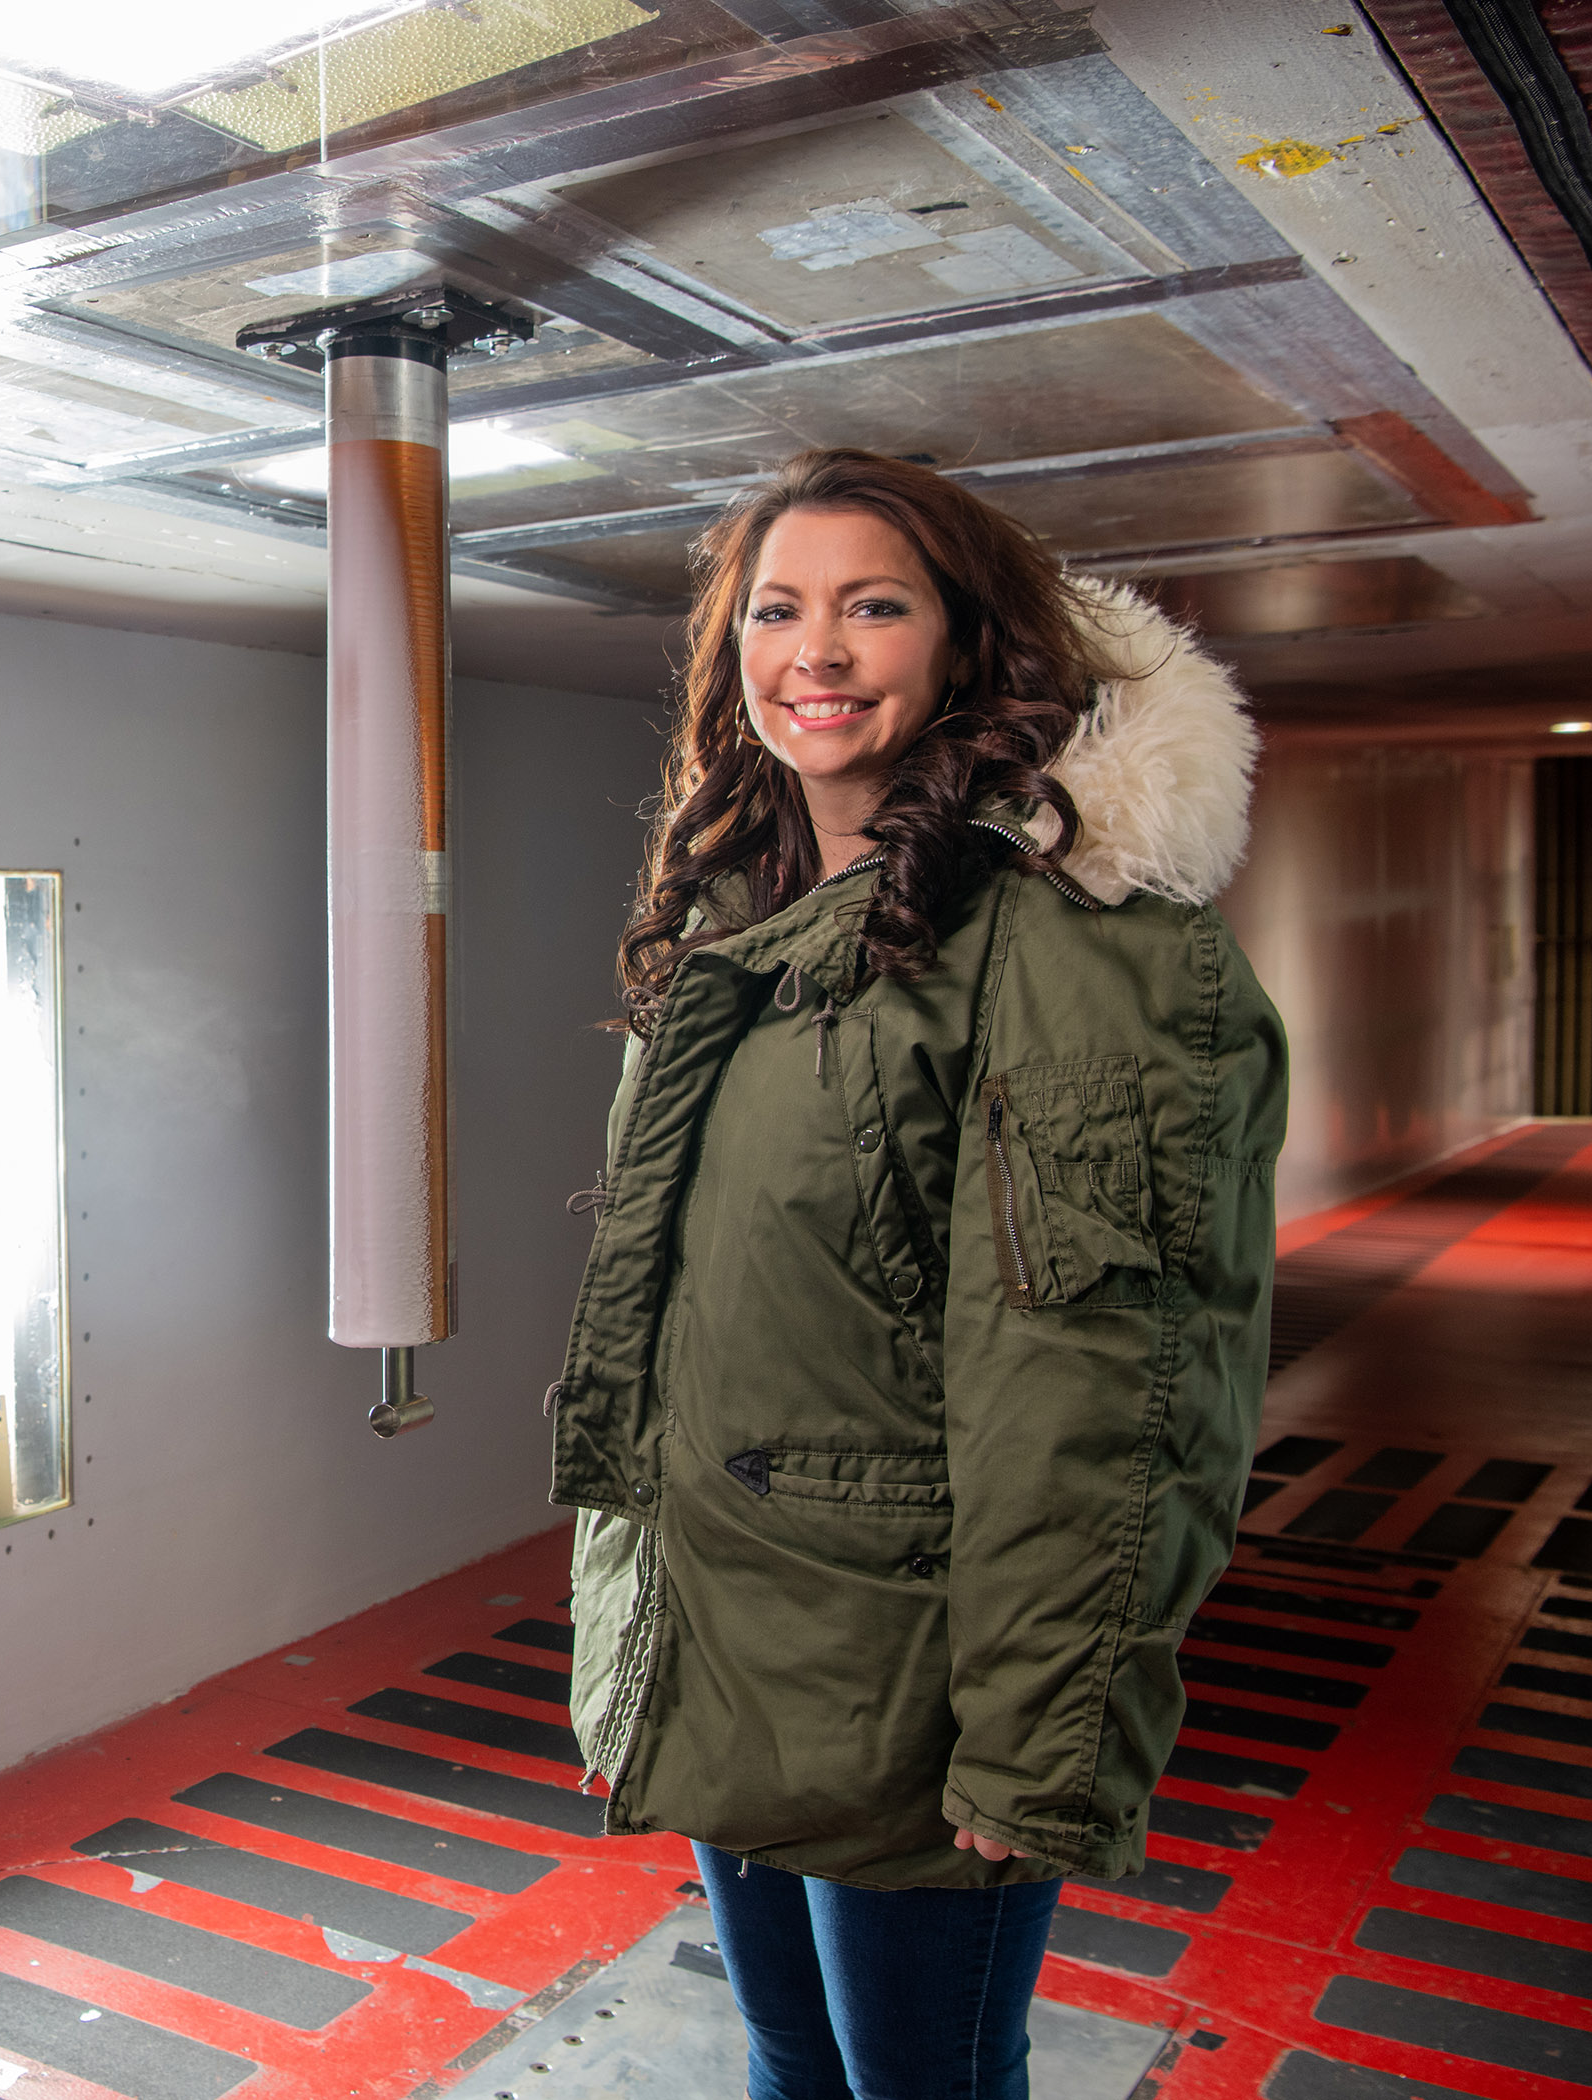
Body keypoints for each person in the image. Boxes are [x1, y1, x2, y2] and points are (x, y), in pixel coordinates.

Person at [548, 447, 1287, 2100]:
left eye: (871, 607)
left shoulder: (1073, 949)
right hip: (734, 1623)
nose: (812, 652)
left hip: (910, 1671)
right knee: (784, 2055)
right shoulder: (742, 911)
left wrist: (1034, 1737)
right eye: (776, 609)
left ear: (963, 647)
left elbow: (1104, 1394)